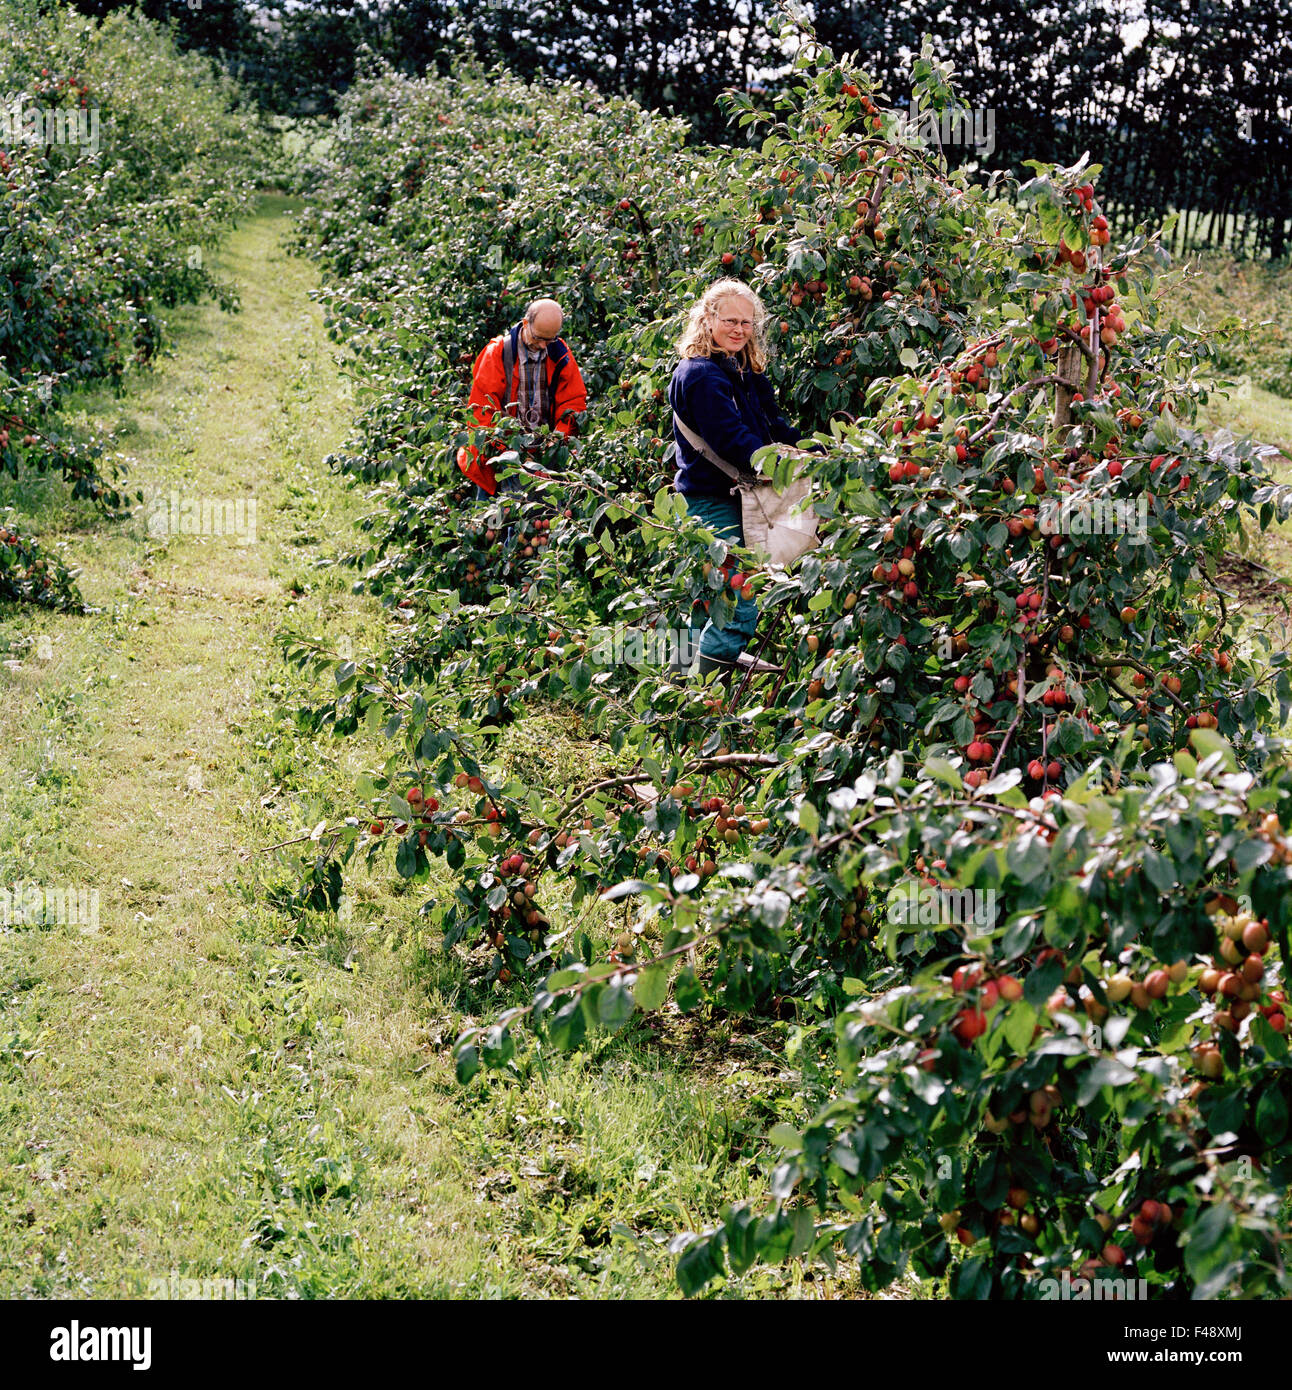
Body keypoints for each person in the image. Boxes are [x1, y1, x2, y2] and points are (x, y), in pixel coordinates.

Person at [669, 278, 807, 678]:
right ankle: (701, 697)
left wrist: (813, 452)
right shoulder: (700, 375)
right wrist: (786, 466)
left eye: (746, 323)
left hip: (728, 501)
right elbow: (734, 442)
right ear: (707, 319)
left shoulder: (743, 371)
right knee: (738, 601)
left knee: (703, 599)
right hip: (712, 503)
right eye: (730, 320)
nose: (739, 330)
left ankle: (675, 687)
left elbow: (775, 427)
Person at [456, 298, 588, 499]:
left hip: (544, 452)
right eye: (538, 338)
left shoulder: (559, 353)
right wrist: (505, 451)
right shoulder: (498, 353)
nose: (543, 345)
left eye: (549, 339)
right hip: (503, 451)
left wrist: (558, 439)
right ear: (526, 324)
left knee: (543, 517)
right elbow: (482, 410)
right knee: (498, 517)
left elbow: (573, 402)